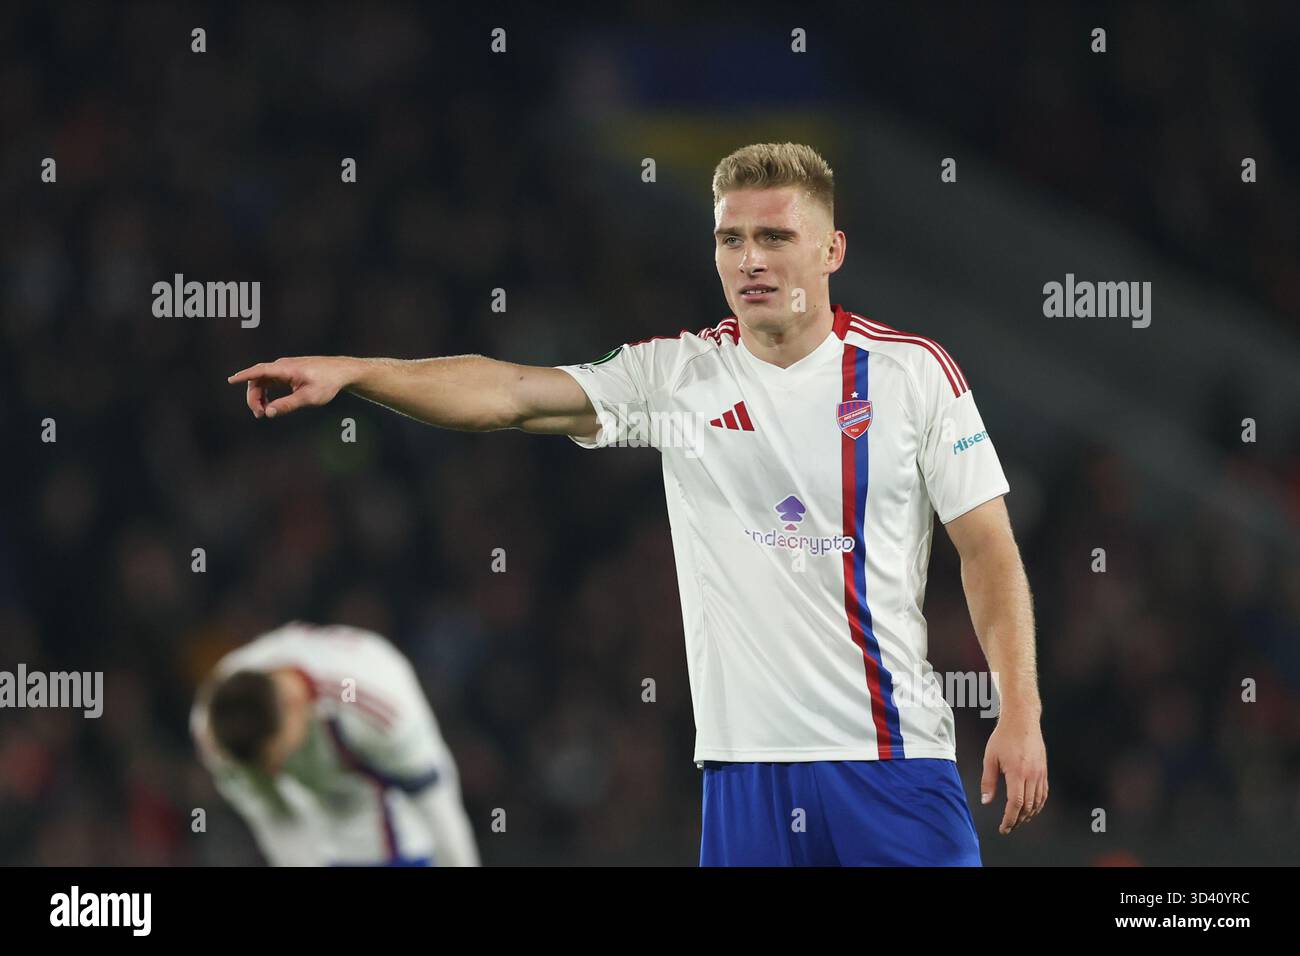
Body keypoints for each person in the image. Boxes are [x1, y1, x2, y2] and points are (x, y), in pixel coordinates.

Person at [227, 142, 1047, 866]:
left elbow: (988, 548)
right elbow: (510, 393)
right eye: (731, 239)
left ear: (831, 249)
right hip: (742, 772)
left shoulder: (912, 375)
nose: (750, 260)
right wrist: (357, 372)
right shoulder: (675, 375)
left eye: (774, 237)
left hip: (892, 763)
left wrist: (1019, 710)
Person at [191, 621, 480, 866]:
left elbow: (436, 802)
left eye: (278, 757)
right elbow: (275, 821)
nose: (274, 770)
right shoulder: (216, 730)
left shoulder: (376, 706)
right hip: (320, 826)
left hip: (391, 823)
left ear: (293, 706)